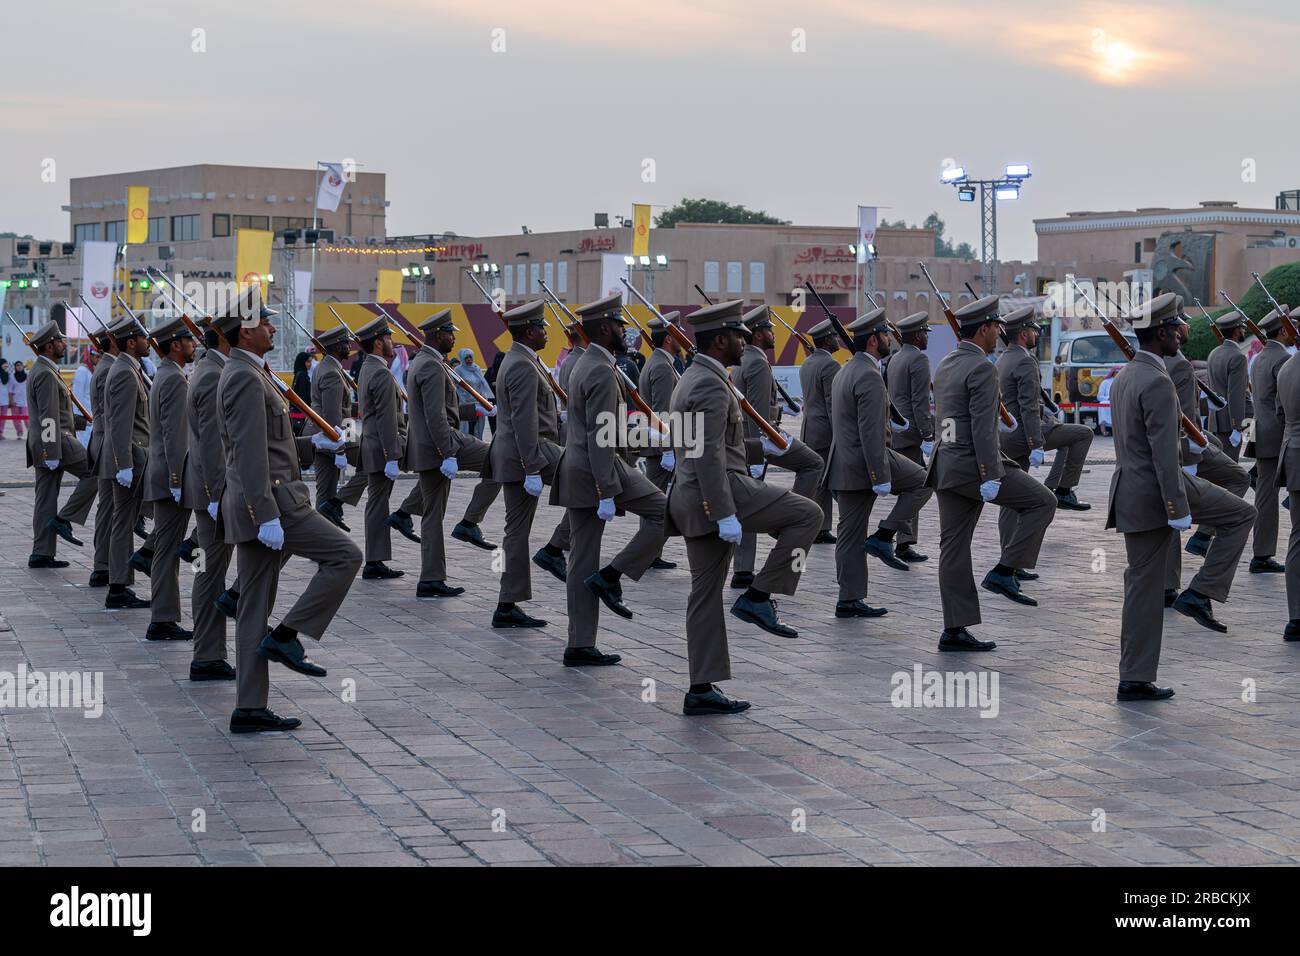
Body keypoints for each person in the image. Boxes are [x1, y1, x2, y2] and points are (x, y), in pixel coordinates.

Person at [213, 288, 360, 733]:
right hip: (274, 503)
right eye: (266, 323)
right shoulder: (242, 376)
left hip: (267, 500)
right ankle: (287, 636)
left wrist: (312, 443)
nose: (273, 328)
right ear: (245, 330)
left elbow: (270, 445)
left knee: (253, 603)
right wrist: (266, 515)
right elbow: (248, 453)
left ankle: (249, 707)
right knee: (345, 556)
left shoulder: (250, 373)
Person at [667, 299, 821, 715]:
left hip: (693, 493)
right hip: (721, 490)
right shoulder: (710, 385)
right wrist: (724, 512)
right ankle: (760, 595)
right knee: (809, 515)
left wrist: (760, 445)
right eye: (739, 334)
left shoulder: (695, 377)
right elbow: (708, 455)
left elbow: (715, 443)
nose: (746, 339)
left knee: (704, 594)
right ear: (721, 339)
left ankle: (700, 688)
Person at [1107, 293, 1255, 699]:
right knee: (1242, 514)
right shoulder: (1156, 380)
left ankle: (1134, 677)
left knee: (1141, 585)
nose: (1180, 335)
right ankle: (1202, 593)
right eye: (1175, 328)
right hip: (1159, 490)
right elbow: (1163, 453)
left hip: (1131, 492)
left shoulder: (1126, 375)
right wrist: (1177, 507)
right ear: (1161, 333)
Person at [928, 295, 1058, 652]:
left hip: (946, 464)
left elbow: (948, 421)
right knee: (1042, 502)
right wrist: (990, 474)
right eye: (996, 327)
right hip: (974, 466)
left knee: (952, 547)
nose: (999, 333)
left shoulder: (946, 363)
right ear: (984, 328)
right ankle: (1005, 571)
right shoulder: (983, 367)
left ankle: (954, 630)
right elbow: (984, 428)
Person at [553, 293, 667, 666]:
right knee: (663, 512)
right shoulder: (601, 369)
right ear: (604, 328)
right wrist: (606, 490)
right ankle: (614, 575)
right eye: (619, 325)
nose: (624, 331)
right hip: (597, 468)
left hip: (585, 465)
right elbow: (600, 434)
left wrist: (641, 435)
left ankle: (580, 643)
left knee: (581, 559)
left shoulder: (587, 363)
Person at [825, 310, 933, 619]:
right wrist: (880, 475)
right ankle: (885, 536)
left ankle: (849, 599)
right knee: (924, 481)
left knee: (849, 534)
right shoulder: (869, 375)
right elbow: (871, 433)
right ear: (873, 340)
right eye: (885, 335)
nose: (889, 339)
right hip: (867, 462)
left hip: (843, 463)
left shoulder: (846, 370)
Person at [485, 299, 573, 628]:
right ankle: (555, 547)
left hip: (521, 454)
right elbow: (523, 419)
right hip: (527, 455)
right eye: (541, 328)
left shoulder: (523, 359)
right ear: (527, 331)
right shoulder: (521, 363)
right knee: (589, 477)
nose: (545, 333)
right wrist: (533, 467)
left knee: (516, 532)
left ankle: (507, 605)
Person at [728, 304, 825, 590]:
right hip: (764, 439)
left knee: (746, 503)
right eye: (769, 329)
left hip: (748, 440)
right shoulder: (756, 362)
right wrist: (759, 453)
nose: (774, 334)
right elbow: (757, 412)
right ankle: (788, 517)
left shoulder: (745, 360)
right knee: (813, 463)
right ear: (758, 334)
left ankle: (743, 569)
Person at [405, 308, 492, 598]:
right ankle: (470, 522)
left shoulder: (425, 361)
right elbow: (435, 416)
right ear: (437, 334)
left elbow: (440, 410)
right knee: (500, 459)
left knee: (432, 515)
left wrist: (479, 409)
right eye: (450, 334)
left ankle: (431, 578)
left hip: (429, 446)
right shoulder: (430, 365)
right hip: (442, 444)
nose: (453, 339)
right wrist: (448, 453)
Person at [185, 326, 238, 681]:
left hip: (211, 489)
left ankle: (209, 651)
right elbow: (210, 444)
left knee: (210, 569)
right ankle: (206, 655)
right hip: (213, 492)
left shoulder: (211, 370)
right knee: (209, 571)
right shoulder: (211, 375)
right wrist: (219, 493)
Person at [23, 321, 97, 568]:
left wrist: (87, 423)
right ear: (48, 345)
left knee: (45, 497)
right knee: (96, 471)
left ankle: (41, 553)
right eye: (60, 341)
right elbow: (48, 416)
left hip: (49, 440)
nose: (64, 344)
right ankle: (65, 518)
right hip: (57, 440)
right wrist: (51, 451)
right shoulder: (45, 373)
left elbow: (59, 411)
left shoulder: (45, 369)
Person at [141, 317, 197, 641]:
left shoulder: (167, 374)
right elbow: (176, 437)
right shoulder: (174, 379)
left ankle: (162, 616)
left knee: (165, 545)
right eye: (188, 340)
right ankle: (162, 619)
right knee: (167, 546)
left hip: (163, 472)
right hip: (170, 474)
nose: (193, 346)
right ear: (175, 344)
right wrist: (178, 480)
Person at [102, 316, 154, 610]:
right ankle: (118, 586)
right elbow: (120, 424)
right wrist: (123, 464)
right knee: (123, 522)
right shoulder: (124, 372)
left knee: (124, 521)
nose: (149, 343)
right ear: (132, 342)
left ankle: (120, 583)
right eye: (144, 338)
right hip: (129, 460)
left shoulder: (129, 368)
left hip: (132, 457)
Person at [886, 311, 935, 561]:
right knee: (917, 486)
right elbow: (920, 402)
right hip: (912, 432)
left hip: (898, 430)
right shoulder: (919, 360)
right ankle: (896, 538)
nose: (927, 337)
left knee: (912, 486)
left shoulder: (895, 358)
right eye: (925, 333)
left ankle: (903, 541)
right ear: (917, 336)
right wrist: (927, 434)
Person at [1248, 304, 1293, 574]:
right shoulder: (1283, 359)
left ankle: (1262, 553)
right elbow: (1285, 404)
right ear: (1284, 330)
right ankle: (1262, 555)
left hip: (1260, 431)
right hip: (1278, 434)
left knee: (1265, 496)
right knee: (1269, 497)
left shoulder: (1260, 357)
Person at [639, 313, 684, 570]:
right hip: (661, 450)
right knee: (655, 504)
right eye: (678, 333)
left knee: (656, 503)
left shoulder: (659, 362)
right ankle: (645, 554)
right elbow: (662, 411)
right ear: (669, 339)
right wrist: (668, 450)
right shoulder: (662, 366)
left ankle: (650, 553)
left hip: (658, 447)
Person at [798, 318, 843, 546]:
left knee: (820, 481)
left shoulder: (808, 363)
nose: (838, 340)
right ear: (827, 339)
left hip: (810, 429)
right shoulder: (830, 365)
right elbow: (832, 404)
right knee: (825, 481)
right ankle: (817, 525)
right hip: (825, 431)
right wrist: (841, 435)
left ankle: (822, 527)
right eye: (834, 336)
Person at [309, 328, 358, 530]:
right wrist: (340, 449)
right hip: (335, 435)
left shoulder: (326, 367)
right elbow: (332, 417)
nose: (350, 346)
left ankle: (323, 543)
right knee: (369, 466)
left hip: (327, 435)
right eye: (347, 343)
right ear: (338, 346)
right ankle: (336, 505)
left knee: (325, 490)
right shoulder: (331, 372)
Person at [87, 328, 119, 588]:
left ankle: (104, 564)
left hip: (103, 440)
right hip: (109, 442)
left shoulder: (106, 366)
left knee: (108, 508)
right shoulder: (110, 369)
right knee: (112, 510)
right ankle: (106, 566)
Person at [1206, 312, 1250, 462]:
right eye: (1243, 328)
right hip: (1232, 424)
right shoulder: (1238, 357)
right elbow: (1235, 394)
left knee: (1223, 466)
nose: (1245, 331)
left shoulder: (1213, 353)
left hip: (1217, 421)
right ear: (1236, 331)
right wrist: (1237, 427)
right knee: (1232, 471)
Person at [454, 347, 493, 438]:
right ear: (462, 359)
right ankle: (467, 445)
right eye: (466, 358)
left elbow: (482, 384)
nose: (469, 360)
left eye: (470, 357)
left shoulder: (477, 368)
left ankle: (477, 444)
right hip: (466, 403)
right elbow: (456, 386)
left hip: (479, 402)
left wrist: (484, 398)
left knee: (478, 424)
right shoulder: (458, 370)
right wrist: (464, 395)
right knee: (468, 426)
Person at [72, 349, 95, 447]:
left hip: (91, 416)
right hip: (83, 417)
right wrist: (80, 419)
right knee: (84, 445)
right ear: (90, 356)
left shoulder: (91, 371)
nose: (99, 359)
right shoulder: (82, 371)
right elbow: (77, 397)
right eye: (97, 357)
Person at [8, 360, 28, 440]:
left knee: (26, 418)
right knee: (16, 419)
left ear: (23, 366)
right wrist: (11, 400)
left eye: (20, 365)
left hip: (25, 401)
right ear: (15, 367)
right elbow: (10, 390)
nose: (19, 366)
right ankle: (19, 433)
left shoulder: (27, 376)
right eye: (17, 365)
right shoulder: (12, 377)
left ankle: (30, 432)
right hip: (15, 401)